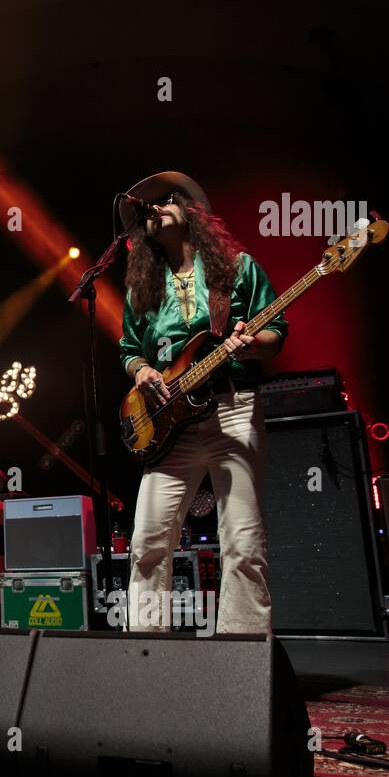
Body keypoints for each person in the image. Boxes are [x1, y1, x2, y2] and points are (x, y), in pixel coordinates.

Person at [116, 172, 287, 634]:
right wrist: (143, 372)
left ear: (190, 209)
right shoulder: (141, 290)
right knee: (148, 541)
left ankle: (243, 649)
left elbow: (276, 332)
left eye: (163, 200)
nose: (153, 210)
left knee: (243, 540)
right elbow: (129, 349)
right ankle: (146, 647)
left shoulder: (237, 267)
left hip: (231, 410)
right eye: (144, 209)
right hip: (170, 422)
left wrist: (250, 345)